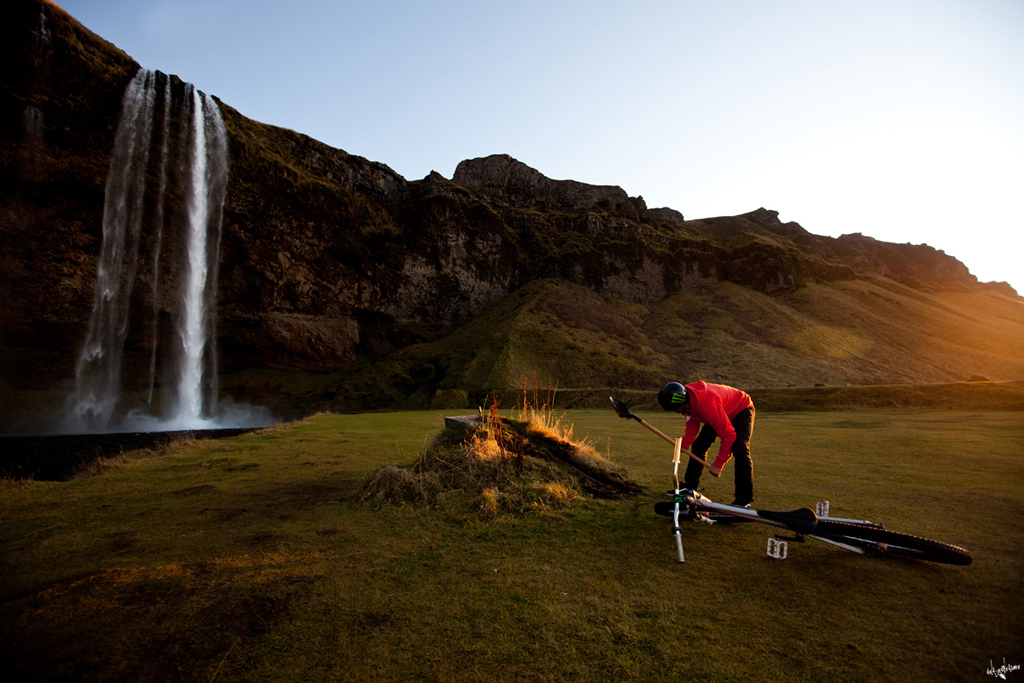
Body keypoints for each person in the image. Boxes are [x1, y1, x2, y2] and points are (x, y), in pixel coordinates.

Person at [658, 380, 755, 508]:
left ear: (681, 405)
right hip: (721, 409)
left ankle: (744, 499)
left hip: (741, 408)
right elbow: (692, 421)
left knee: (740, 446)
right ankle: (690, 487)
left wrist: (719, 463)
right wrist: (685, 443)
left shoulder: (708, 406)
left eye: (675, 409)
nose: (676, 412)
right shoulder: (687, 397)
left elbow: (728, 435)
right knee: (699, 446)